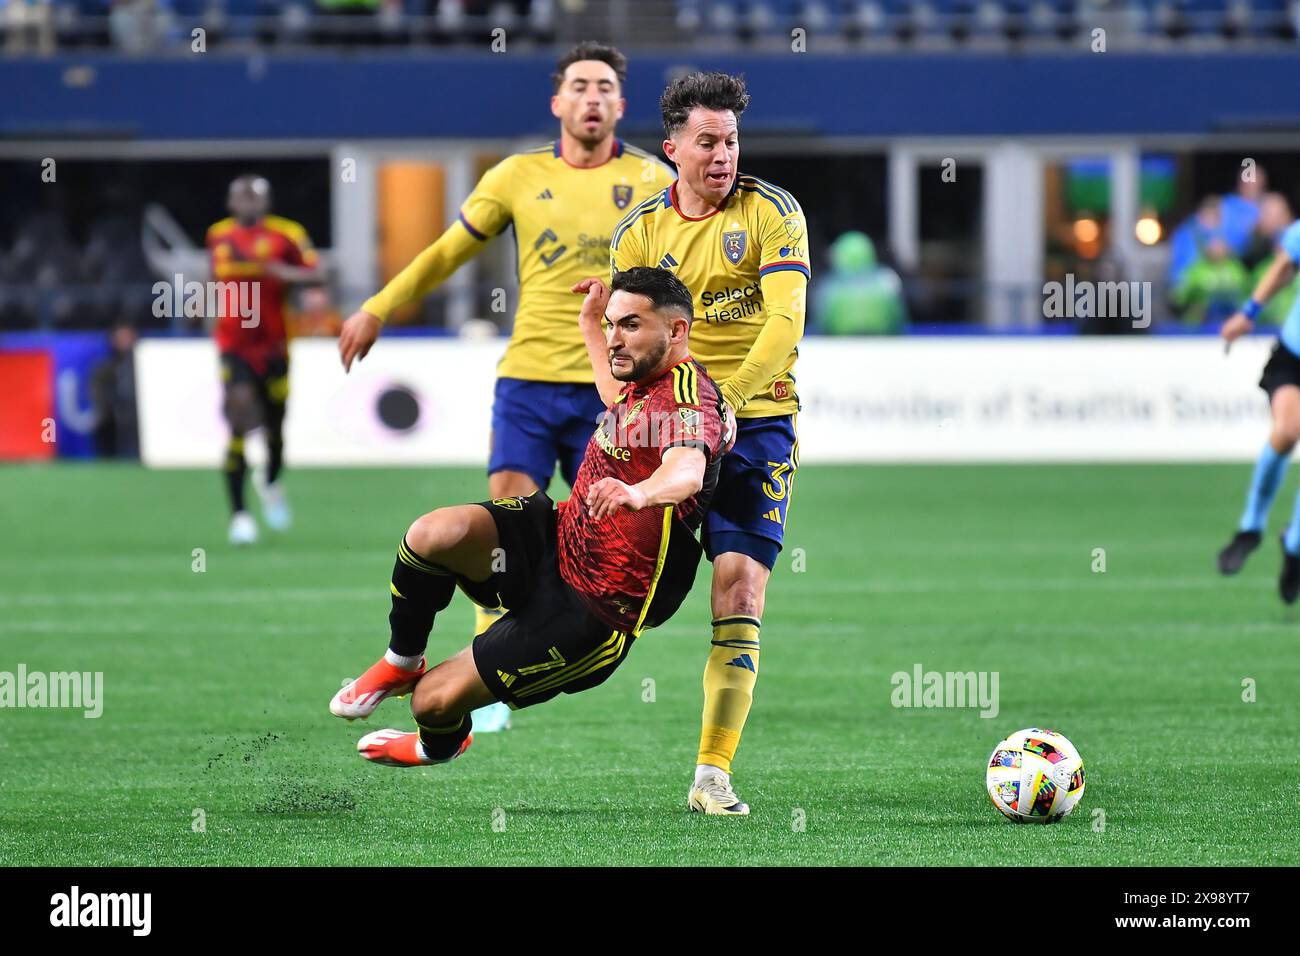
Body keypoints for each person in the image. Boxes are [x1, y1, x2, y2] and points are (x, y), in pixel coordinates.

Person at [333, 42, 675, 734]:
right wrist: (380, 305)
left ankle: (527, 661)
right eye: (579, 85)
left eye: (604, 87)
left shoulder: (652, 181)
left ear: (620, 105)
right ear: (557, 102)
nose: (591, 98)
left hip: (611, 391)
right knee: (503, 524)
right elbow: (448, 250)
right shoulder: (517, 175)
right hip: (526, 379)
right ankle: (477, 674)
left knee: (599, 533)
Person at [340, 267, 730, 768]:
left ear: (677, 332)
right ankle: (401, 660)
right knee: (433, 533)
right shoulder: (643, 377)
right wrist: (591, 323)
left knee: (430, 702)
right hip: (558, 536)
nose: (615, 340)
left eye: (629, 326)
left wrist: (640, 493)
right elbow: (614, 398)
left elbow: (687, 470)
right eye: (612, 325)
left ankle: (438, 744)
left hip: (593, 610)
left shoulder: (689, 399)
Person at [610, 72, 810, 815]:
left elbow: (785, 323)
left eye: (731, 140)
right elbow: (632, 344)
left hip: (756, 423)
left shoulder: (773, 213)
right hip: (671, 430)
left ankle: (711, 776)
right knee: (624, 605)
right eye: (707, 141)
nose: (723, 154)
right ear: (673, 150)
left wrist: (724, 401)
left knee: (739, 585)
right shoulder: (640, 234)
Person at [207, 175, 321, 545]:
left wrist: (282, 273)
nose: (248, 202)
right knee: (238, 420)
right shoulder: (218, 236)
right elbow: (214, 279)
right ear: (230, 202)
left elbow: (318, 272)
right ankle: (239, 515)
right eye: (241, 196)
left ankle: (270, 481)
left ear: (266, 202)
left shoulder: (286, 235)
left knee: (275, 427)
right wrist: (201, 302)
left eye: (255, 197)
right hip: (234, 344)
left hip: (274, 346)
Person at [1217, 217, 1300, 602]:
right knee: (1287, 431)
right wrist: (1248, 313)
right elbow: (1285, 265)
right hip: (1294, 356)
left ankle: (1295, 546)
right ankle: (1250, 527)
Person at [811, 231, 907, 335]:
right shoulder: (887, 279)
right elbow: (899, 318)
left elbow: (820, 323)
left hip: (839, 347)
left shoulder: (829, 285)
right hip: (883, 346)